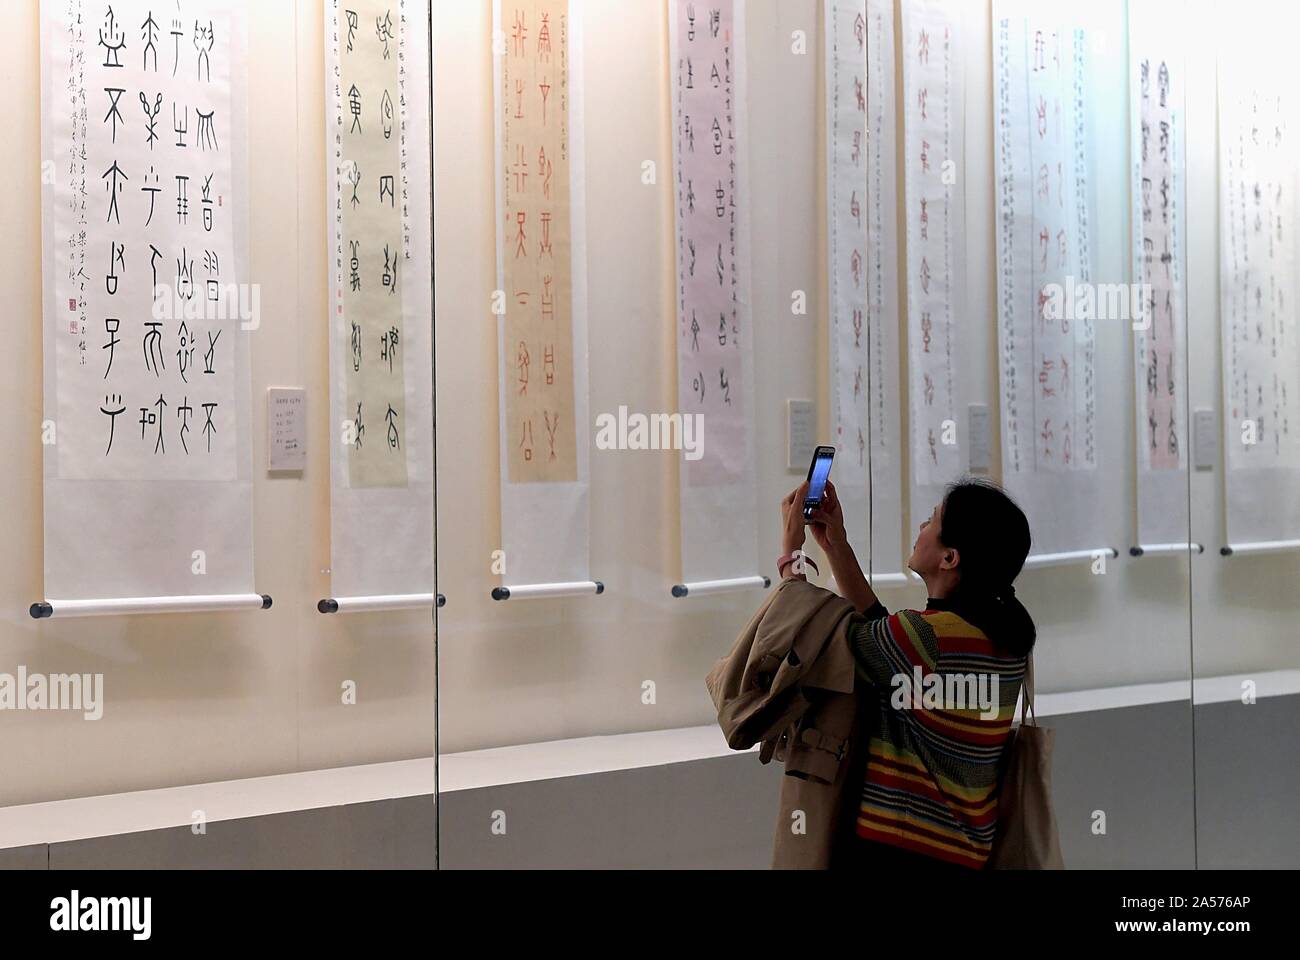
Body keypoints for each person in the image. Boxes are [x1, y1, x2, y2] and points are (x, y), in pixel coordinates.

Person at [777, 475, 1036, 870]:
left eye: (932, 521)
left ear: (950, 558)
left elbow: (817, 642)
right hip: (964, 850)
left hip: (902, 848)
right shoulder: (999, 633)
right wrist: (836, 547)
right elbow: (882, 637)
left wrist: (791, 550)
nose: (921, 528)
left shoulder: (926, 638)